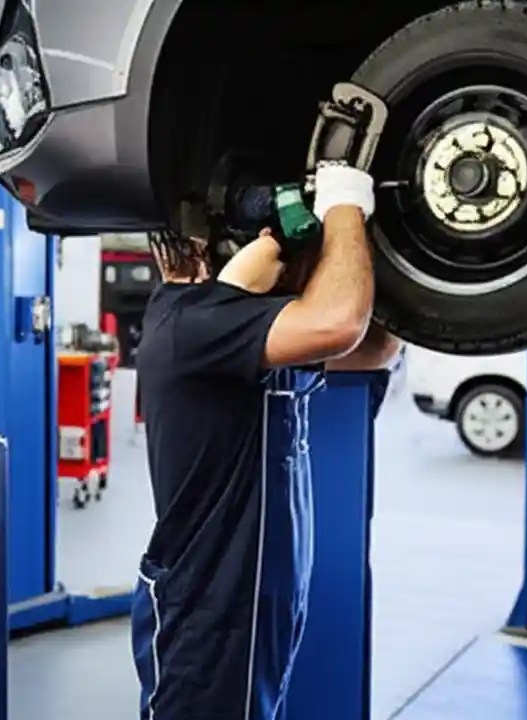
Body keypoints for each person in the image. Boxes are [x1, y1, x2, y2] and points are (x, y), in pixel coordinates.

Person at [131, 163, 401, 720]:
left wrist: (370, 234)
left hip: (251, 600)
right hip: (211, 613)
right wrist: (344, 198)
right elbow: (339, 322)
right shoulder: (192, 324)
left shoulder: (245, 328)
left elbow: (373, 347)